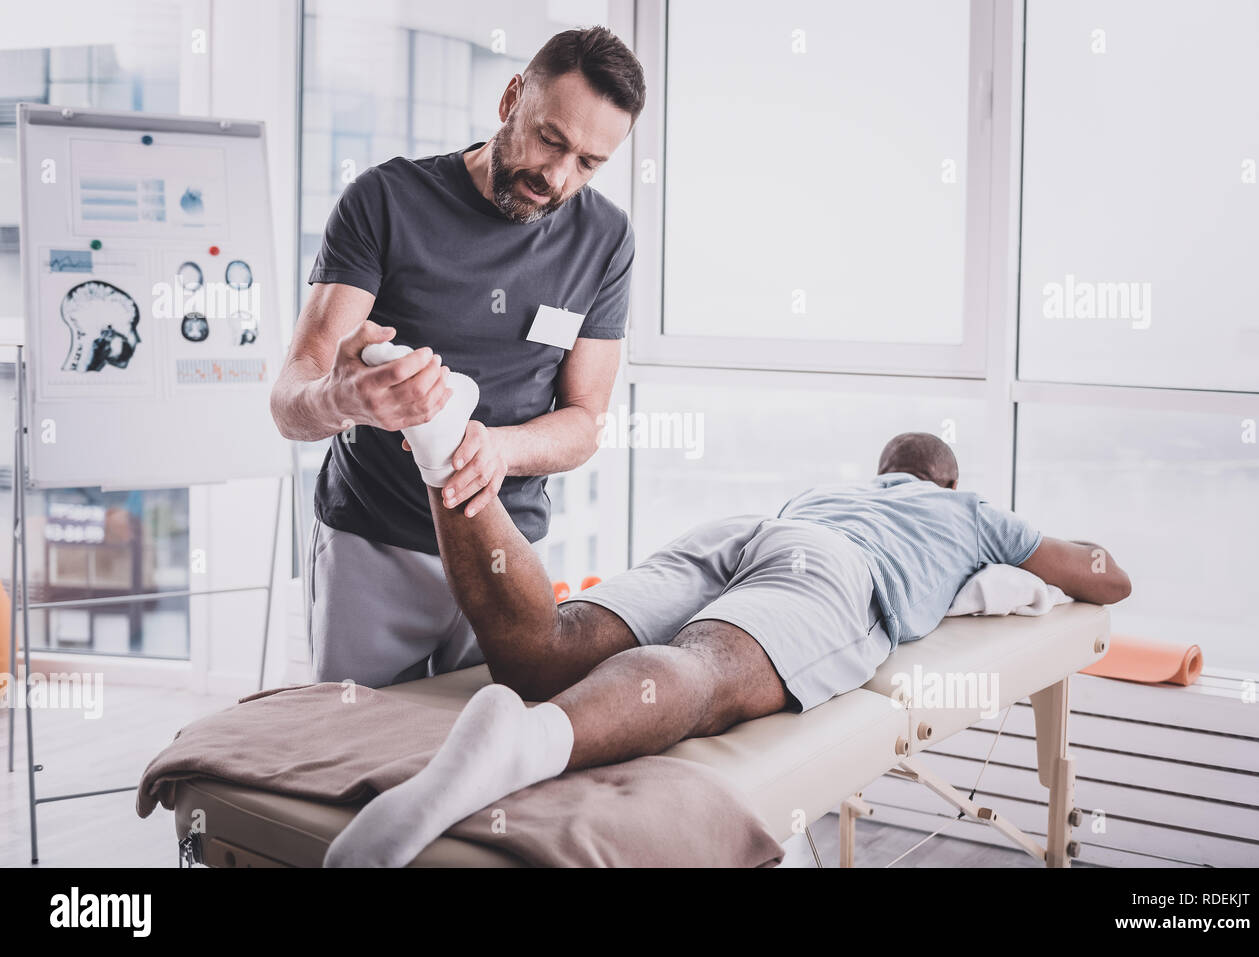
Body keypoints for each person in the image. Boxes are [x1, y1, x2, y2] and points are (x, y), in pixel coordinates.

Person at [323, 431, 1132, 866]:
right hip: (843, 573)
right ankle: (522, 745)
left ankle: (442, 452)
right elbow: (1105, 580)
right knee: (705, 664)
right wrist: (1038, 544)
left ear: (882, 470)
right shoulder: (971, 512)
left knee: (551, 645)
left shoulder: (832, 490)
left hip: (752, 530)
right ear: (946, 482)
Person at [269, 27, 645, 688]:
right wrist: (342, 397)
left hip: (509, 551)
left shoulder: (606, 238)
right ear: (510, 99)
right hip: (372, 545)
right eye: (550, 139)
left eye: (588, 163)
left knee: (487, 767)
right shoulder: (385, 201)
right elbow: (289, 401)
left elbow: (585, 422)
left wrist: (496, 451)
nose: (557, 177)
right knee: (354, 761)